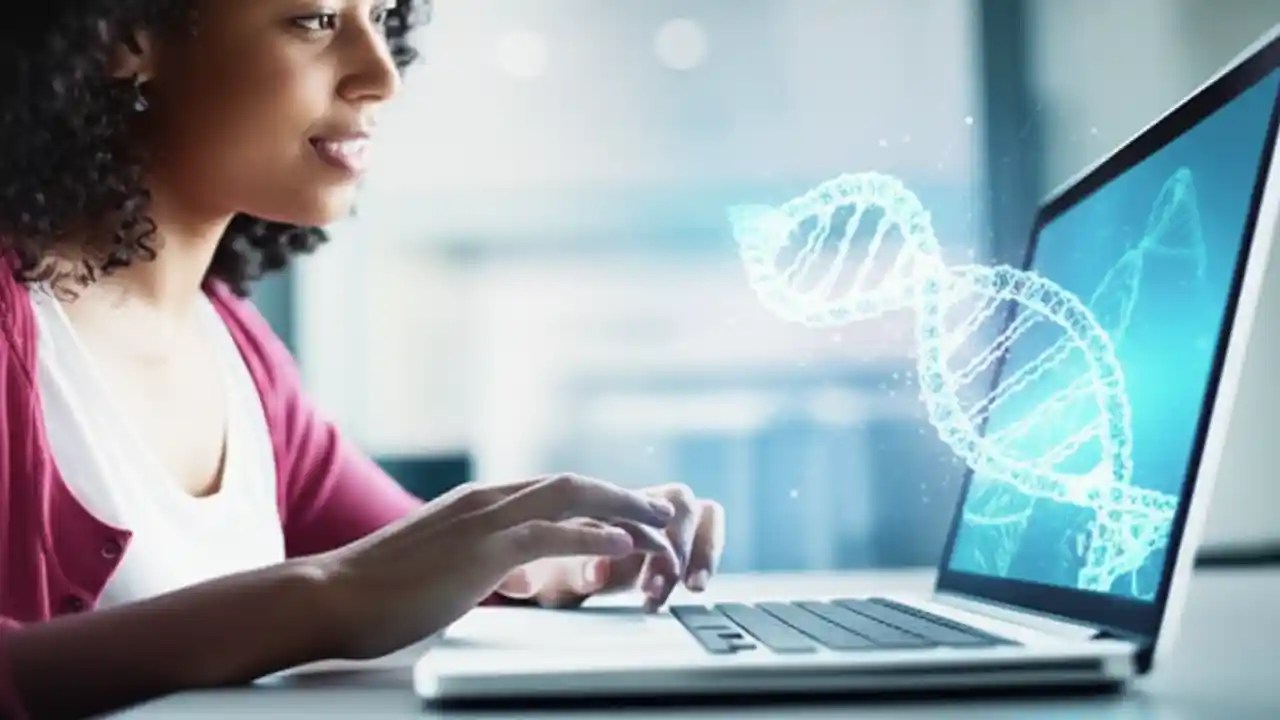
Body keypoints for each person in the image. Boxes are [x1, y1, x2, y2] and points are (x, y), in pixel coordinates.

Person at [0, 1, 726, 717]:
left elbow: (413, 565)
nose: (381, 75)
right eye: (315, 21)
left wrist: (572, 545)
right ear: (127, 32)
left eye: (380, 19)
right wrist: (322, 599)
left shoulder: (240, 354)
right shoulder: (14, 329)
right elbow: (352, 587)